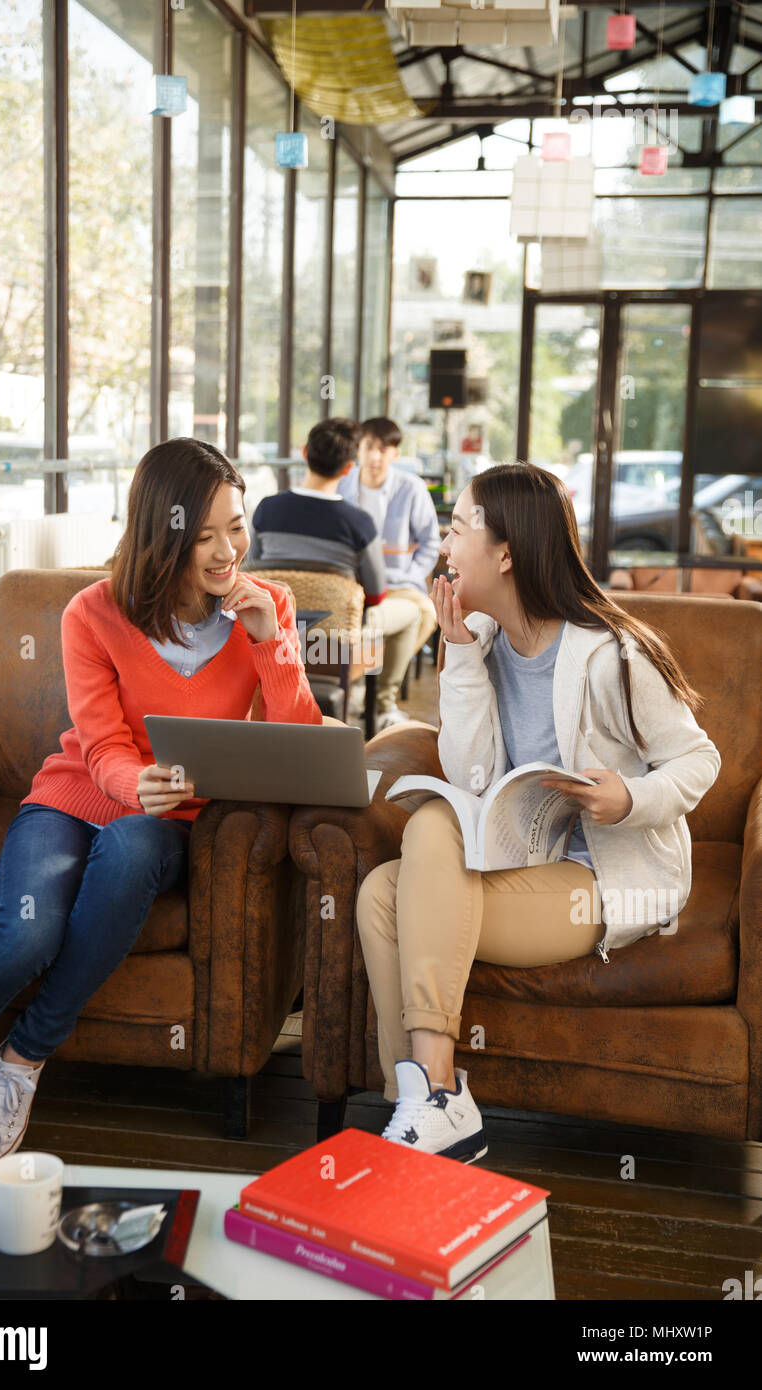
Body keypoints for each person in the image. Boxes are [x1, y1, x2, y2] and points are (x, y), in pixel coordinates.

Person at [0, 438, 322, 1158]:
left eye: (238, 527)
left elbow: (298, 746)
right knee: (26, 932)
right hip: (72, 799)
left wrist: (270, 644)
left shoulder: (267, 605)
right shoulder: (92, 612)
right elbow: (99, 747)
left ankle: (22, 1062)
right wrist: (134, 784)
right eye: (206, 534)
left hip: (169, 826)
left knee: (131, 844)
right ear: (165, 531)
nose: (228, 552)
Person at [355, 462, 721, 1161]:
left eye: (459, 528)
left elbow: (699, 759)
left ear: (505, 553)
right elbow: (472, 777)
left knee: (407, 869)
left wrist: (628, 798)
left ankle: (433, 1100)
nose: (446, 544)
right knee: (384, 885)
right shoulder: (484, 647)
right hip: (530, 861)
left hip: (604, 880)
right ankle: (426, 1102)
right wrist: (458, 658)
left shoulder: (614, 654)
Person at [337, 417, 440, 731]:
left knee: (426, 612)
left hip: (398, 584)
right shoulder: (343, 484)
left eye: (383, 449)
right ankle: (376, 695)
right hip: (353, 586)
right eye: (368, 447)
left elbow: (431, 540)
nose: (374, 456)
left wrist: (412, 574)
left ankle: (380, 695)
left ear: (394, 454)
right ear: (358, 447)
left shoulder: (411, 488)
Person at [247, 416, 386, 610]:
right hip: (336, 634)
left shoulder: (266, 509)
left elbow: (251, 570)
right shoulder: (360, 523)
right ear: (347, 468)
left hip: (272, 628)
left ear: (304, 452)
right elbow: (376, 595)